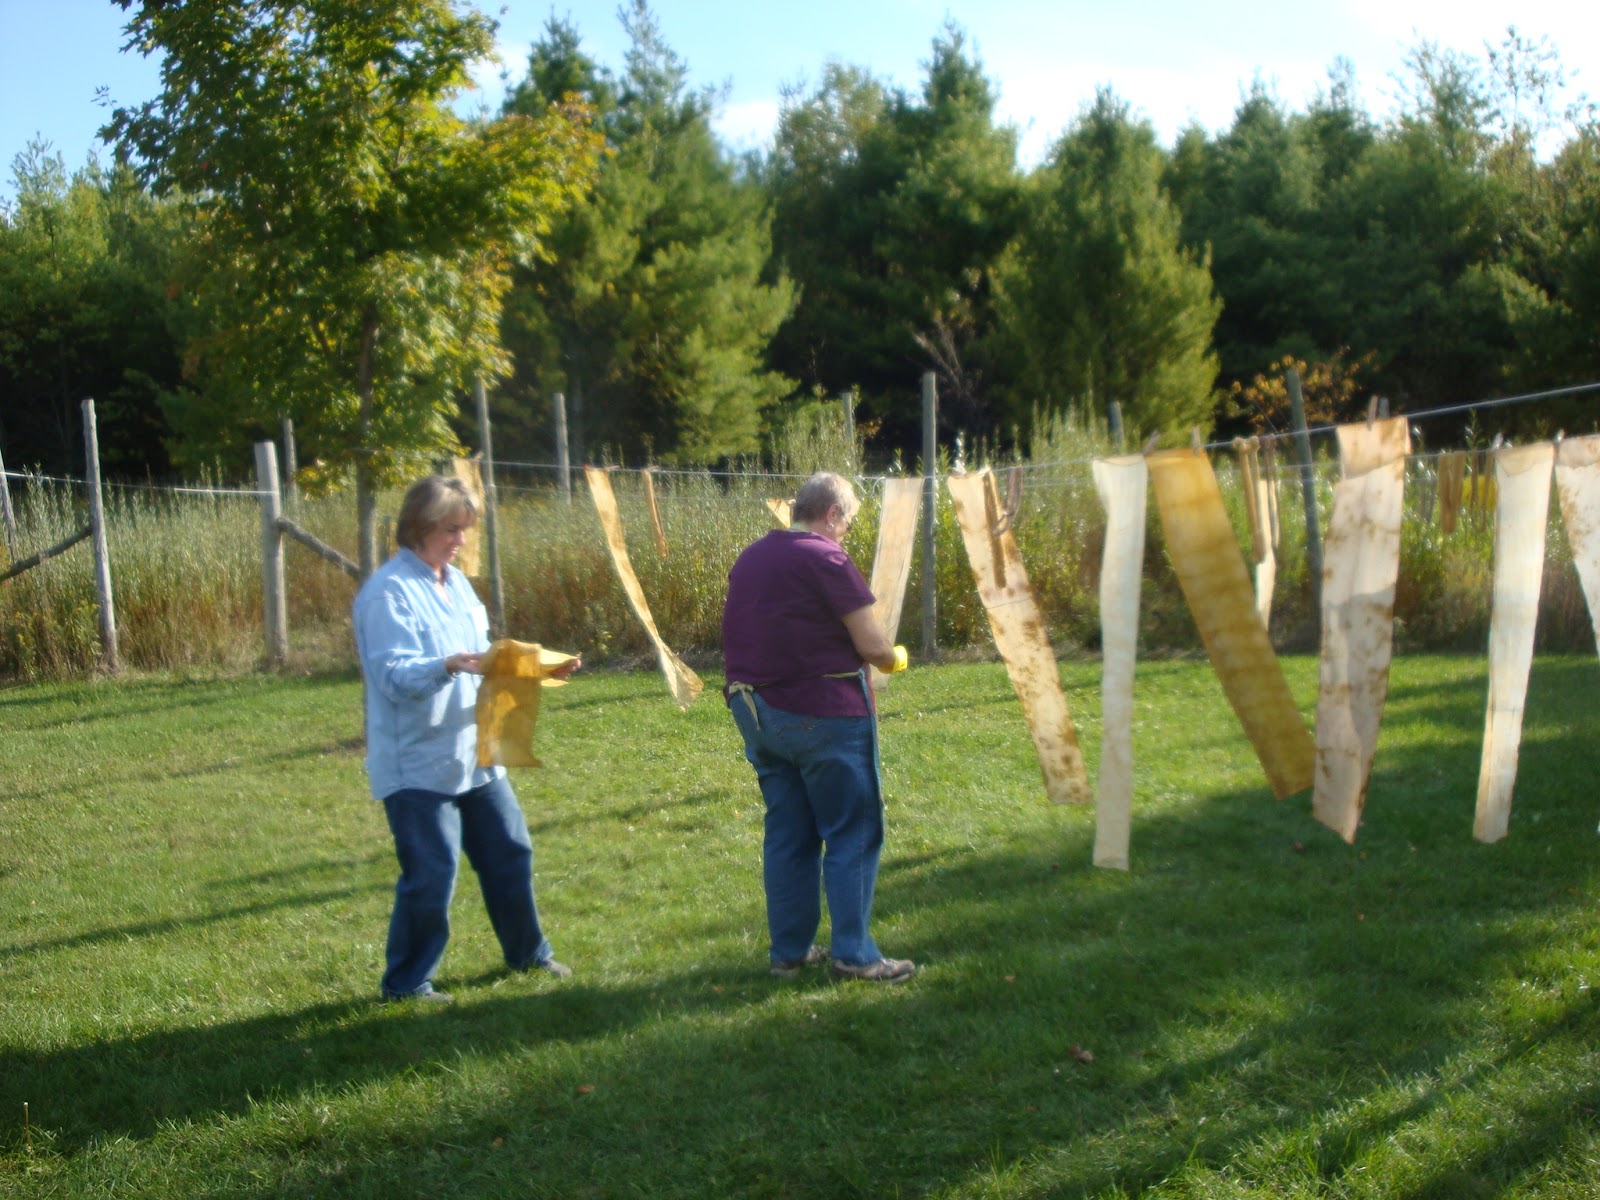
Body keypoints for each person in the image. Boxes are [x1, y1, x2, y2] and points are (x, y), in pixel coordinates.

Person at [353, 474, 578, 1004]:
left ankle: (528, 953)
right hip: (417, 764)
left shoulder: (455, 584)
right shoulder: (387, 593)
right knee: (432, 872)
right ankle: (405, 984)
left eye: (464, 530)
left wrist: (541, 666)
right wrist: (445, 665)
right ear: (421, 526)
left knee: (510, 851)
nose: (460, 540)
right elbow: (393, 676)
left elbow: (484, 656)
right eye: (452, 530)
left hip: (474, 755)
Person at [722, 471, 915, 984]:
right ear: (832, 514)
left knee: (789, 832)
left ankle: (789, 951)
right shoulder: (826, 556)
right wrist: (896, 660)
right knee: (852, 830)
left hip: (756, 711)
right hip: (821, 713)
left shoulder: (752, 556)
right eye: (848, 521)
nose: (847, 531)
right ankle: (854, 953)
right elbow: (873, 646)